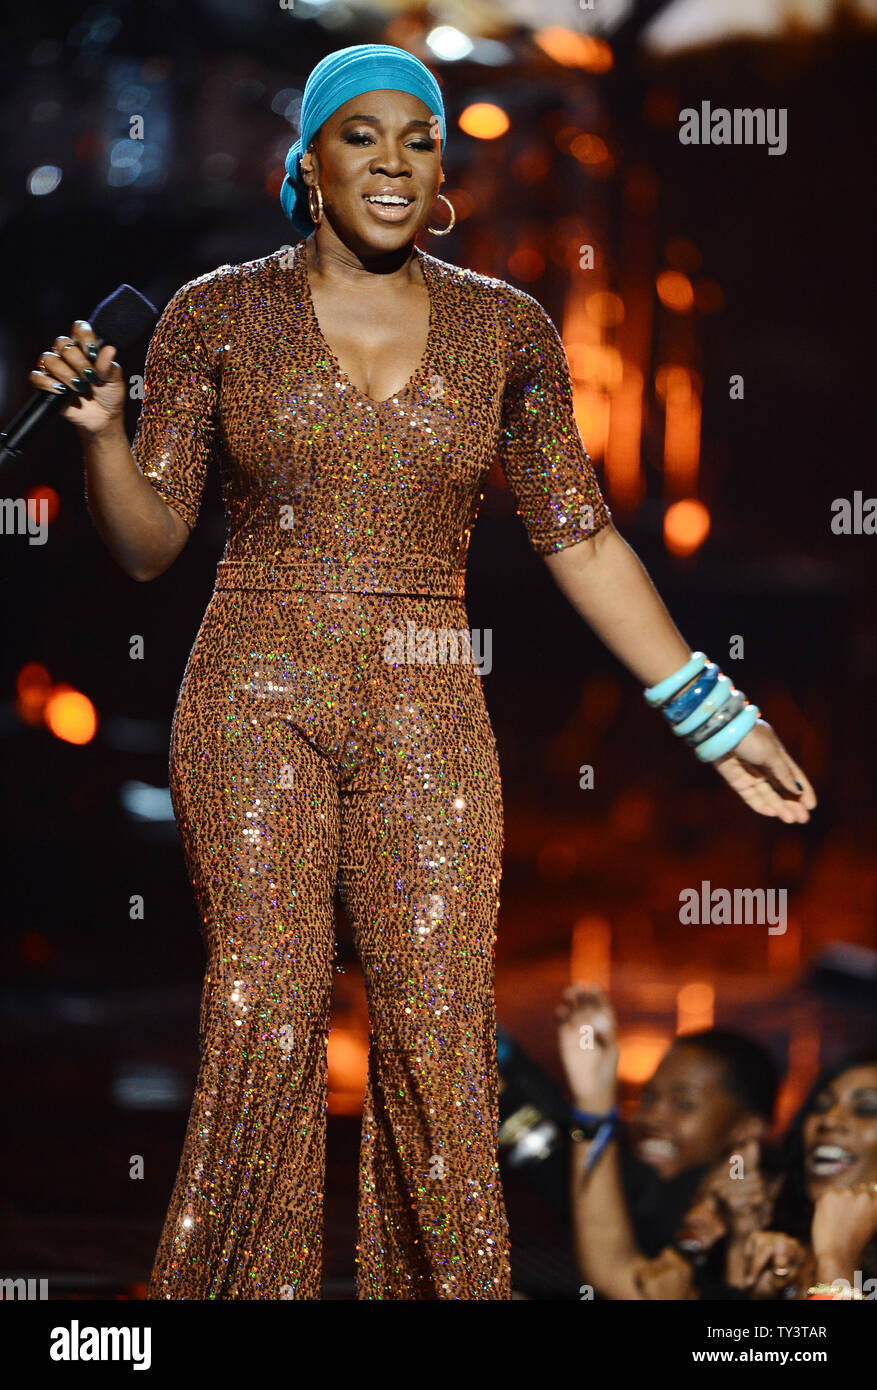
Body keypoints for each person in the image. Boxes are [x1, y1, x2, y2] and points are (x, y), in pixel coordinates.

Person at [27, 41, 816, 1300]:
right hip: (252, 693)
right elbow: (146, 544)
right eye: (362, 135)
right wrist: (105, 436)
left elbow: (582, 535)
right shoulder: (215, 313)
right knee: (266, 1016)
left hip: (426, 704)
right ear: (310, 160)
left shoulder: (506, 328)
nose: (392, 162)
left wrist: (717, 719)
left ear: (441, 169)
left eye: (419, 139)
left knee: (442, 1030)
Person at [556, 984, 781, 1298]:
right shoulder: (638, 1186)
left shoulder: (768, 1219)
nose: (651, 1118)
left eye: (683, 1104)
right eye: (648, 1099)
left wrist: (593, 1105)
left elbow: (620, 1279)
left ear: (746, 1128)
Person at [741, 1051, 877, 1298]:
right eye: (821, 1106)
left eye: (866, 1109)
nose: (829, 1119)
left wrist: (838, 1264)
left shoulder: (834, 1259)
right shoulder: (787, 1261)